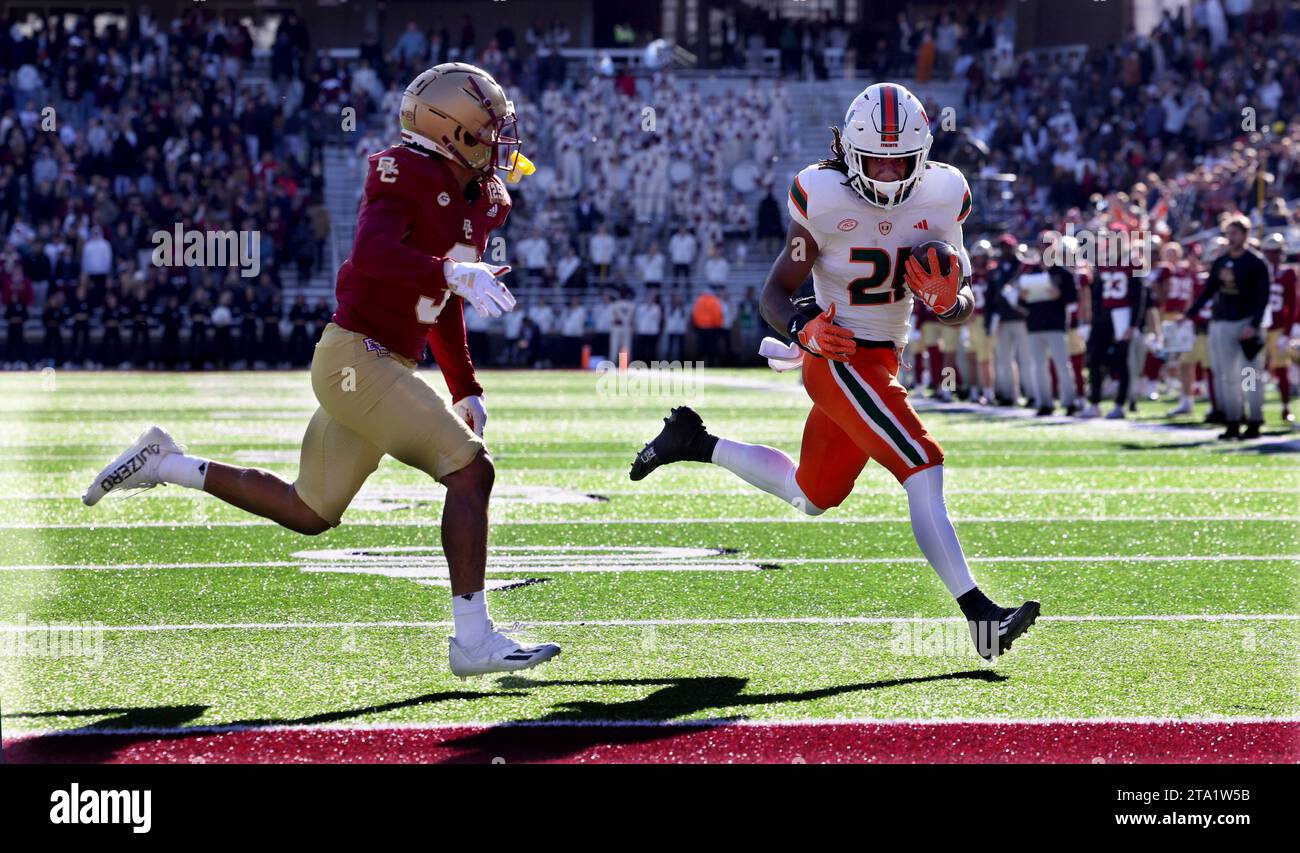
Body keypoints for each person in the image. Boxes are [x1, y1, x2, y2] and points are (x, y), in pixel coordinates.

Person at [82, 63, 559, 677]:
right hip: (354, 358)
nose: (500, 142)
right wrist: (449, 271)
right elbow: (375, 254)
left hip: (374, 363)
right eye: (489, 129)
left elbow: (436, 303)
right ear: (453, 131)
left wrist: (464, 385)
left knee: (309, 510)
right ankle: (472, 638)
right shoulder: (403, 172)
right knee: (471, 473)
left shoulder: (484, 198)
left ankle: (166, 461)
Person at [629, 83, 1037, 661]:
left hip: (882, 359)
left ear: (922, 154)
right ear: (848, 152)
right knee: (922, 463)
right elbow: (773, 292)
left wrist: (951, 303)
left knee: (812, 495)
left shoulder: (945, 193)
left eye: (901, 160)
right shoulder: (822, 196)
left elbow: (960, 295)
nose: (891, 173)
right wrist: (804, 327)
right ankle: (980, 615)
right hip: (839, 356)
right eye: (878, 160)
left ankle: (695, 442)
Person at [1186, 215, 1271, 439]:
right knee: (1226, 376)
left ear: (1245, 235)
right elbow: (1209, 290)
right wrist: (1190, 314)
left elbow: (1263, 297)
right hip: (1222, 321)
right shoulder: (1221, 261)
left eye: (1234, 233)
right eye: (1228, 233)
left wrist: (1254, 324)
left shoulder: (1255, 262)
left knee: (1250, 374)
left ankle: (1255, 419)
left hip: (1246, 322)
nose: (1230, 238)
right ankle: (1232, 420)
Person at [1023, 239, 1079, 416]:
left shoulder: (1063, 272)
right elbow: (1021, 302)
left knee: (1062, 365)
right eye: (1042, 247)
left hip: (1056, 324)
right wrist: (1022, 296)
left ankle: (1070, 402)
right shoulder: (1031, 271)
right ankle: (1044, 403)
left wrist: (1059, 295)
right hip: (1034, 324)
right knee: (1038, 366)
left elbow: (1073, 298)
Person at [1261, 233, 1297, 423]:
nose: (1274, 255)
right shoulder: (1258, 270)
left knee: (1282, 368)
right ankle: (1251, 405)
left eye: (1277, 252)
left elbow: (1292, 304)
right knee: (1250, 369)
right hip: (1257, 327)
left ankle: (1285, 406)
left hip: (1277, 328)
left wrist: (1287, 333)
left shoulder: (1287, 273)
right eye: (1270, 252)